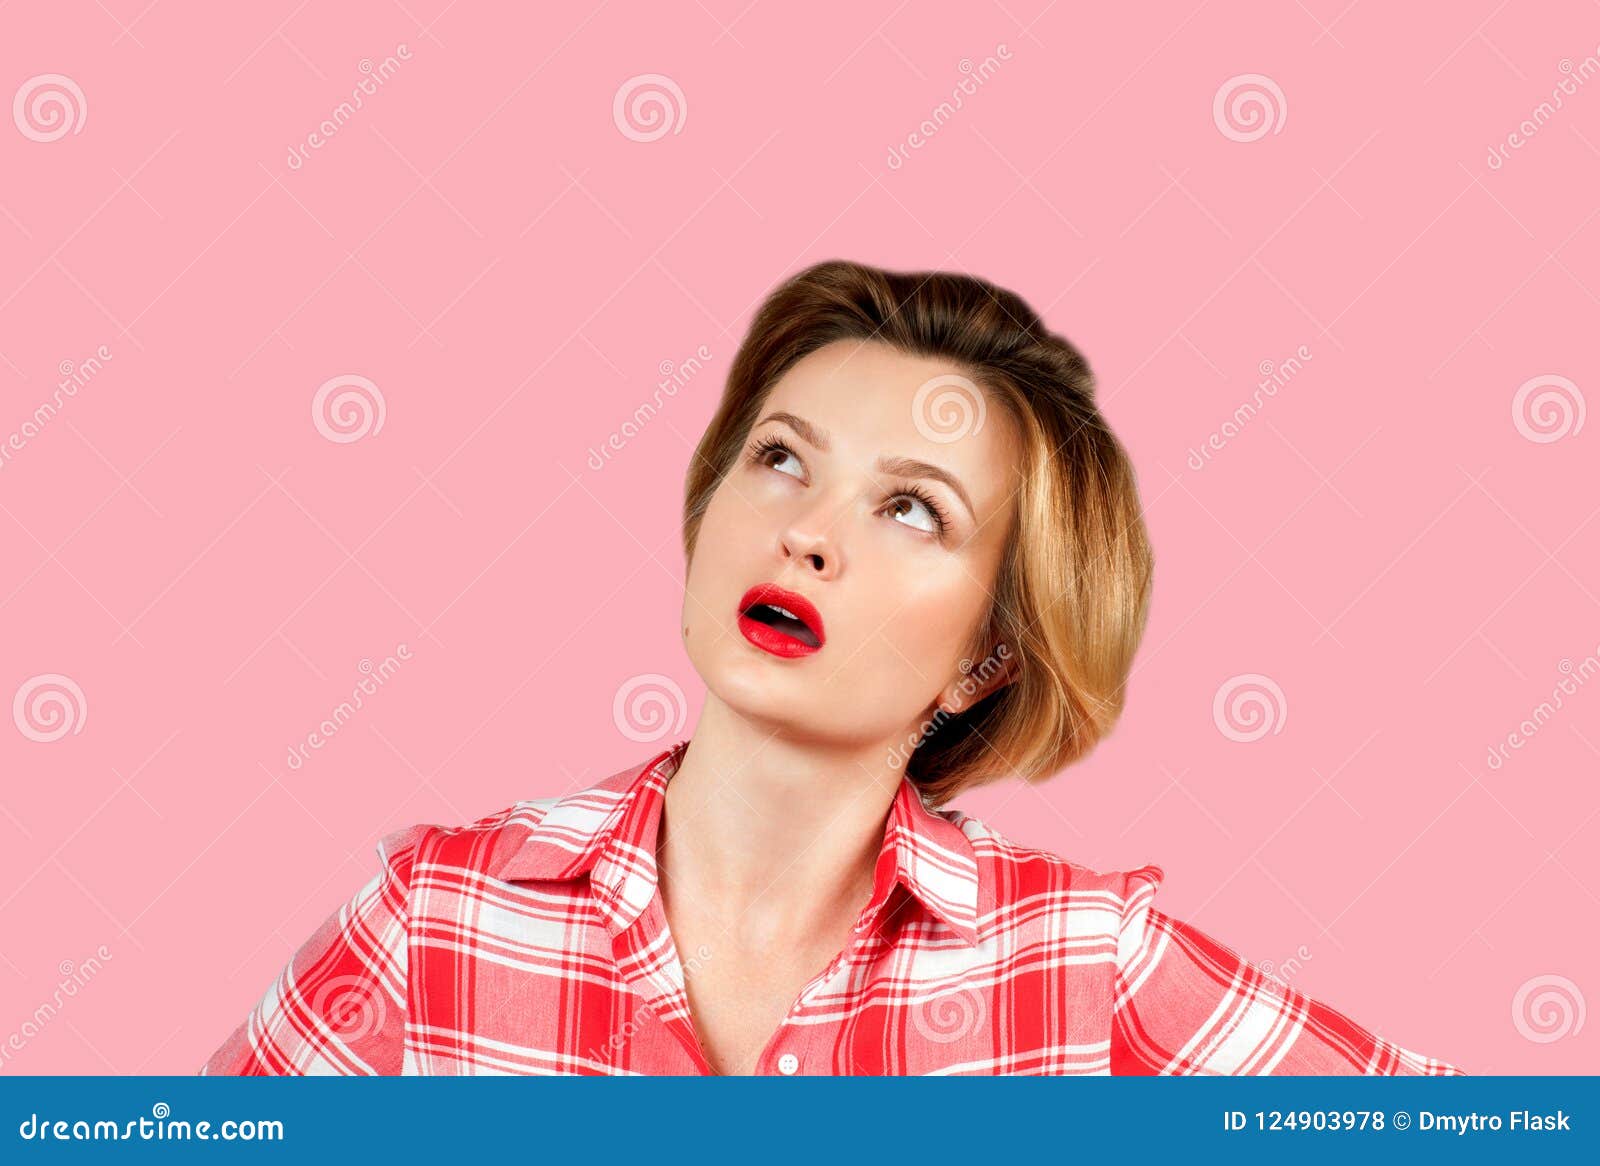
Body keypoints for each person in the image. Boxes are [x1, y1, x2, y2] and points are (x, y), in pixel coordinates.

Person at [201, 260, 1462, 1076]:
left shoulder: (1079, 959)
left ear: (987, 657)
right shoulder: (444, 914)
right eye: (780, 458)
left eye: (911, 509)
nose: (805, 530)